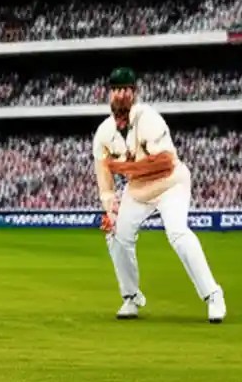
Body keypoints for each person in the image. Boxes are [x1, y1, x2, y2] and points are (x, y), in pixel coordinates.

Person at [94, 67, 225, 323]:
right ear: (109, 95)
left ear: (134, 92)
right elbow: (105, 179)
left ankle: (213, 295)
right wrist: (110, 209)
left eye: (125, 90)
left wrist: (125, 167)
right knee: (117, 234)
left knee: (177, 232)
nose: (120, 96)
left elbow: (164, 162)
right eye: (115, 91)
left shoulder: (148, 118)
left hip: (170, 184)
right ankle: (131, 297)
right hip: (138, 190)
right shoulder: (103, 133)